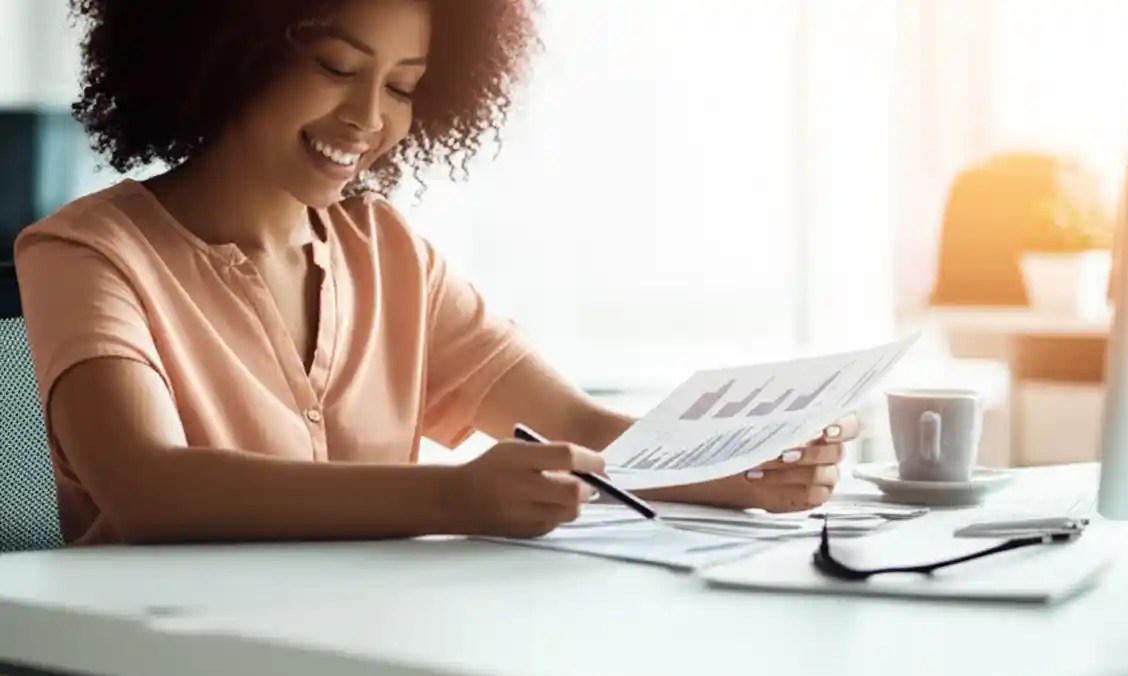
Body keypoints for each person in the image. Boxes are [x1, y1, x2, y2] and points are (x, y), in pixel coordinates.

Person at [14, 0, 856, 546]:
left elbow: (568, 420)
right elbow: (149, 485)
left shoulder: (386, 252)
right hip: (146, 664)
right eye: (338, 69)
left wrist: (735, 471)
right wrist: (452, 499)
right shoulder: (88, 253)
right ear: (228, 48)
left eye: (405, 86)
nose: (369, 118)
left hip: (377, 651)